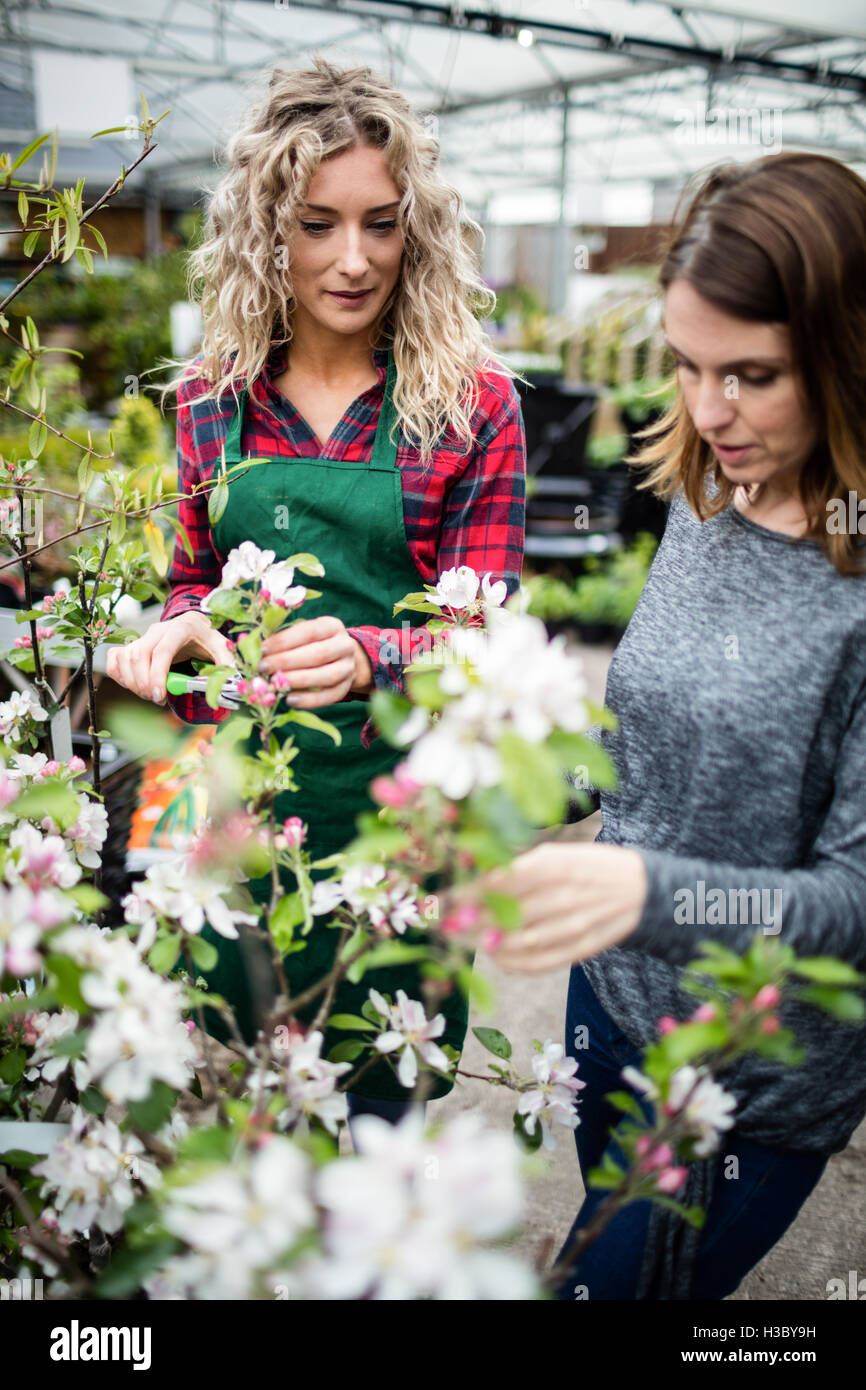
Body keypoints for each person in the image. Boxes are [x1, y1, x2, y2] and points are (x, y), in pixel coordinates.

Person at [107, 57, 526, 1125]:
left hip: (399, 830)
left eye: (381, 225)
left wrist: (372, 655)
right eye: (316, 224)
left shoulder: (471, 406)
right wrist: (178, 634)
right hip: (244, 815)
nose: (352, 260)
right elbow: (193, 580)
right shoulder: (213, 398)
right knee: (256, 1117)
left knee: (374, 1125)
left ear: (414, 232)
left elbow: (486, 645)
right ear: (265, 229)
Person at [482, 152, 866, 1299]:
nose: (707, 411)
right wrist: (511, 801)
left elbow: (852, 904)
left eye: (751, 373)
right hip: (606, 1000)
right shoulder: (711, 488)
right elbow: (648, 736)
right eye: (688, 366)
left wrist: (646, 892)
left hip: (742, 1079)